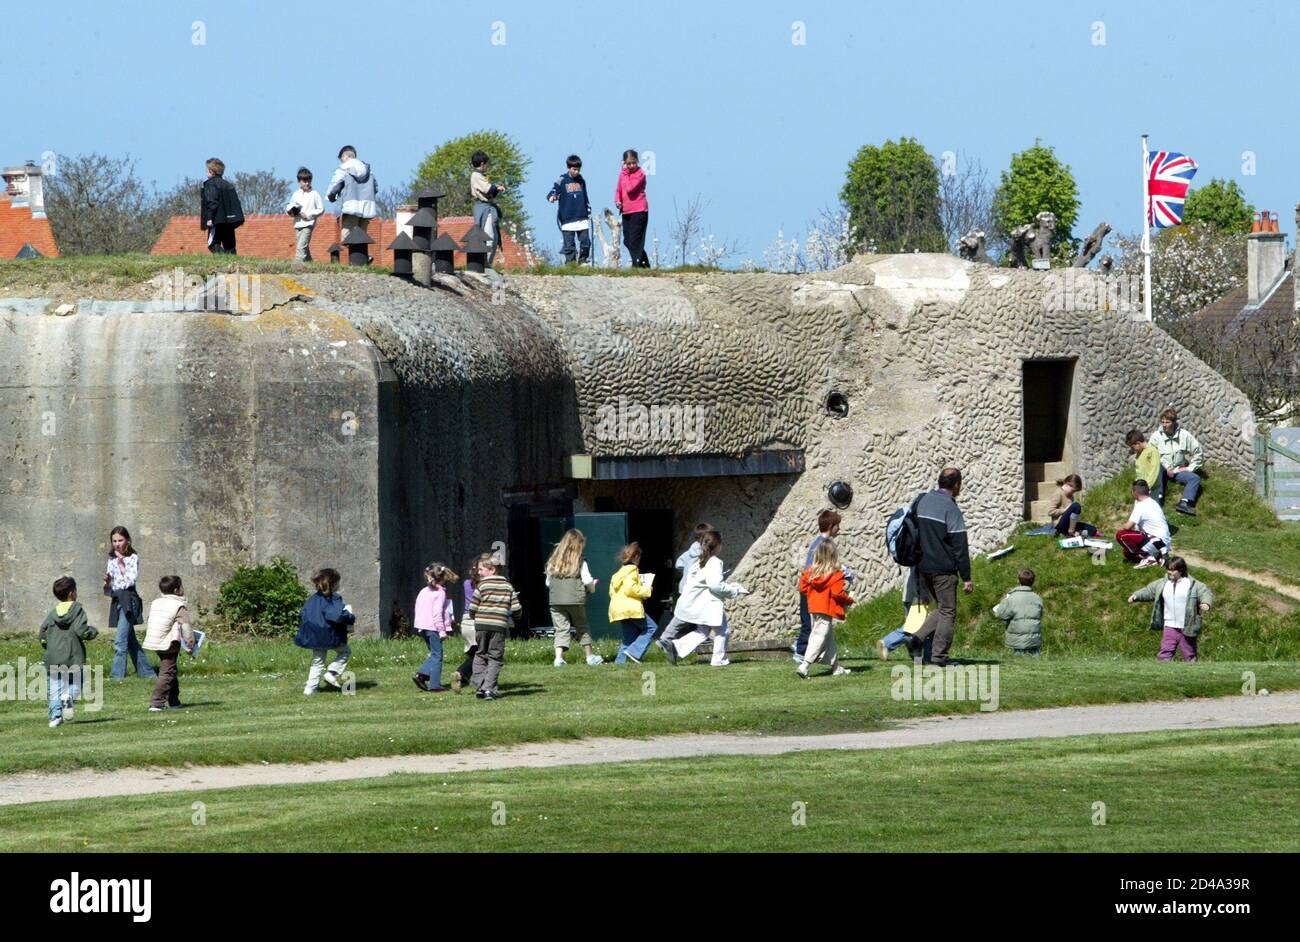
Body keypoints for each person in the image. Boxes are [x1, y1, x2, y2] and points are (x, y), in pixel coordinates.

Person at [905, 467, 973, 668]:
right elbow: (960, 546)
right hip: (944, 569)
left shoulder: (923, 500)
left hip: (923, 567)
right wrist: (966, 576)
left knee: (943, 609)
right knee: (949, 612)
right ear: (957, 485)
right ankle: (939, 657)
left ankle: (916, 638)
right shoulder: (951, 508)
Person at [664, 530, 747, 666]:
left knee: (702, 632)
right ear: (718, 546)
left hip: (700, 605)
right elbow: (715, 585)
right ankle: (718, 659)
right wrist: (734, 591)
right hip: (709, 606)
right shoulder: (714, 562)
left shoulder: (699, 562)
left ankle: (676, 647)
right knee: (722, 631)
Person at [1128, 556, 1213, 662]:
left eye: (1173, 570)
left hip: (1187, 626)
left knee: (1189, 654)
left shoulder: (1193, 584)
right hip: (1169, 625)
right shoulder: (1162, 583)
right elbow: (1149, 591)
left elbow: (1205, 592)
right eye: (1168, 569)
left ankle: (1191, 673)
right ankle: (1162, 674)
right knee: (1165, 652)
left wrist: (1206, 603)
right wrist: (1136, 596)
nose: (1169, 572)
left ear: (1181, 570)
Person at [39, 577, 98, 729]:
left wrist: (47, 646)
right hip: (73, 657)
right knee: (76, 683)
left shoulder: (52, 613)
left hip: (53, 657)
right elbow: (81, 630)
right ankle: (68, 697)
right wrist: (92, 632)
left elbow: (42, 634)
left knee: (54, 688)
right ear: (72, 593)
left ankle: (55, 717)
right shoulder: (77, 610)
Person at [104, 526, 156, 680]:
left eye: (120, 540)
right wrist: (107, 583)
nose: (117, 544)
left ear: (127, 540)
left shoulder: (133, 558)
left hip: (129, 600)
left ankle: (116, 676)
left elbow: (129, 582)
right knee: (130, 641)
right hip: (117, 600)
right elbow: (109, 591)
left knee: (120, 642)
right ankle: (147, 673)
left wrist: (121, 565)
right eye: (114, 541)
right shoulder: (111, 560)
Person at [796, 539, 854, 678]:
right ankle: (805, 665)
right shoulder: (836, 574)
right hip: (826, 608)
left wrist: (813, 594)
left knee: (829, 638)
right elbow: (837, 593)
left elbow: (802, 588)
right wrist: (849, 599)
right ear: (833, 555)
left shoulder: (809, 572)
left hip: (814, 607)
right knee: (819, 635)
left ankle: (836, 667)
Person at [467, 554, 522, 700]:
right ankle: (488, 689)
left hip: (481, 625)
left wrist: (474, 617)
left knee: (480, 654)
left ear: (492, 569)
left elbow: (472, 607)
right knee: (495, 658)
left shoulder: (482, 586)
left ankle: (480, 685)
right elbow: (516, 608)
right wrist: (516, 618)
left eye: (481, 569)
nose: (478, 573)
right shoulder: (508, 586)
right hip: (498, 626)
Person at [293, 568, 356, 695]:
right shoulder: (334, 599)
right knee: (345, 651)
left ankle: (310, 689)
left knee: (317, 661)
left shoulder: (311, 600)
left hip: (314, 636)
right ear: (333, 584)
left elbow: (304, 614)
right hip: (329, 635)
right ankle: (332, 672)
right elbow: (337, 616)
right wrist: (350, 616)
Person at [546, 529, 603, 667]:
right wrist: (593, 588)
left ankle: (558, 659)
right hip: (575, 600)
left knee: (560, 629)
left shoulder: (553, 561)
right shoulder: (581, 561)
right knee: (582, 627)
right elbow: (587, 580)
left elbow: (548, 582)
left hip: (555, 601)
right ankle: (590, 657)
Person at [795, 510, 844, 662]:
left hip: (812, 588)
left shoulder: (819, 542)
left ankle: (817, 654)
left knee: (819, 625)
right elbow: (813, 569)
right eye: (837, 526)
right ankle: (801, 652)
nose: (839, 529)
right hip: (812, 589)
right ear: (831, 526)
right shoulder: (822, 544)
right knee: (811, 624)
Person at [659, 523, 716, 652]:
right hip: (694, 588)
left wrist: (687, 571)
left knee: (698, 611)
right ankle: (665, 638)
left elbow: (679, 564)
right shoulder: (703, 553)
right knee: (685, 615)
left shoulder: (689, 552)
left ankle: (702, 635)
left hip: (686, 588)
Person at [142, 575, 195, 711]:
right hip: (168, 643)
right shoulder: (179, 605)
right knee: (167, 672)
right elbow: (186, 627)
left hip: (154, 640)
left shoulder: (156, 602)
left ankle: (174, 700)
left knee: (170, 669)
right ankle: (156, 703)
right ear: (177, 590)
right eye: (182, 586)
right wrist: (190, 644)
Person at [1149, 408, 1204, 516]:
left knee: (1195, 478)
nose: (1164, 425)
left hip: (1177, 470)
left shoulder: (1184, 435)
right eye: (1163, 422)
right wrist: (1166, 466)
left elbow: (1198, 452)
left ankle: (1184, 503)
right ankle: (1157, 502)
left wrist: (1189, 468)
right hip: (1162, 468)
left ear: (1174, 422)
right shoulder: (1156, 436)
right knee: (1158, 468)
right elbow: (1151, 455)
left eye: (1167, 422)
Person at [609, 542, 657, 664]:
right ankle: (635, 652)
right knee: (651, 628)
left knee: (629, 638)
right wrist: (646, 590)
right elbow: (631, 588)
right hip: (631, 608)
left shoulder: (618, 573)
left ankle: (619, 663)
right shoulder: (632, 570)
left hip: (618, 609)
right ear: (636, 557)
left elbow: (612, 592)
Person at [412, 562, 457, 692]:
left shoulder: (423, 591)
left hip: (422, 627)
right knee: (437, 655)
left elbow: (419, 608)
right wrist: (442, 631)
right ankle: (431, 682)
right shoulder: (440, 593)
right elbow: (437, 613)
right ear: (442, 577)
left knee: (434, 654)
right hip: (434, 628)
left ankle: (424, 676)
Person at [875, 566, 933, 661]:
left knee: (912, 627)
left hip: (910, 593)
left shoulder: (913, 554)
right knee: (926, 625)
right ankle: (887, 642)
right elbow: (921, 574)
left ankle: (887, 642)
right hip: (920, 596)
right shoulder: (923, 554)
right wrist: (923, 595)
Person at [327, 145, 378, 248]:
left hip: (350, 206)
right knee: (362, 237)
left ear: (345, 156)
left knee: (346, 237)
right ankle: (363, 258)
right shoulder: (369, 172)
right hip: (367, 207)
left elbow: (334, 188)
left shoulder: (343, 169)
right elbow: (375, 188)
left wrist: (331, 197)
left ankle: (353, 258)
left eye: (341, 159)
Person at [451, 554, 487, 692]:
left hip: (466, 621)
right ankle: (462, 674)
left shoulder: (467, 583)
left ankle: (465, 678)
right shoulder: (484, 585)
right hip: (478, 620)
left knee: (475, 655)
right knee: (484, 654)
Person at [1116, 480, 1171, 569]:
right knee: (1126, 552)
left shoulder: (1141, 506)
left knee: (1121, 535)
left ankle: (1149, 558)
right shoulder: (1153, 502)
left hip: (1155, 540)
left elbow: (1128, 527)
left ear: (1135, 492)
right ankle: (1157, 557)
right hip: (1164, 542)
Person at [547, 155, 591, 265]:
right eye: (574, 169)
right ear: (568, 167)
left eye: (578, 169)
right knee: (569, 245)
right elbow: (553, 191)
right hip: (567, 219)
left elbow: (585, 197)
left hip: (582, 217)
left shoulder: (581, 180)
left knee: (586, 242)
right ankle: (571, 265)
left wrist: (588, 210)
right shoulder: (562, 179)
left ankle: (582, 262)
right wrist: (552, 197)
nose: (576, 172)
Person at [470, 150, 509, 267]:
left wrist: (495, 189)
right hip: (483, 208)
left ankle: (487, 263)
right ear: (482, 164)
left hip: (488, 207)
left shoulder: (480, 176)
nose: (487, 167)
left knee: (493, 238)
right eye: (486, 164)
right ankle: (484, 263)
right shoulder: (475, 175)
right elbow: (488, 190)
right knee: (488, 237)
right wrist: (498, 188)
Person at [993, 568, 1044, 655]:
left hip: (1017, 642)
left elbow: (1000, 615)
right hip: (1034, 641)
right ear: (1033, 581)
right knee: (1036, 666)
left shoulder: (1011, 598)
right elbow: (1040, 615)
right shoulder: (1038, 598)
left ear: (1018, 580)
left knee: (1019, 665)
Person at [200, 157, 245, 254]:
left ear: (211, 171)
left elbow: (212, 202)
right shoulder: (228, 185)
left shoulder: (211, 184)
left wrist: (209, 218)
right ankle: (232, 262)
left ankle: (223, 259)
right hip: (230, 221)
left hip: (218, 220)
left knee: (212, 243)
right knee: (229, 245)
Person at [615, 149, 649, 268]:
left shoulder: (640, 174)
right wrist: (618, 200)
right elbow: (619, 188)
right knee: (627, 241)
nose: (631, 166)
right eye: (628, 163)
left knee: (635, 241)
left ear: (637, 161)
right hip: (626, 211)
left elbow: (630, 188)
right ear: (624, 162)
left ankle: (637, 265)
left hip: (639, 210)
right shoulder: (623, 174)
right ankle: (645, 265)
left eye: (633, 162)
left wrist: (624, 171)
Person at [286, 167, 325, 262]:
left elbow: (321, 209)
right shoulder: (295, 194)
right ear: (299, 181)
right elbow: (289, 207)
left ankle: (297, 263)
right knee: (303, 245)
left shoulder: (315, 194)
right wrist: (292, 212)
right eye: (304, 181)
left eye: (309, 181)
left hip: (308, 223)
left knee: (301, 245)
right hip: (297, 223)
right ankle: (309, 262)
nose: (307, 183)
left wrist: (308, 215)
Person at [1125, 429, 1163, 497]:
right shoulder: (1139, 454)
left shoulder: (1152, 451)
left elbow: (1154, 471)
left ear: (1138, 443)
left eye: (1133, 447)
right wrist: (1136, 487)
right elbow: (1139, 472)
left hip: (1152, 489)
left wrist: (1146, 487)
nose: (1132, 450)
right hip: (1141, 490)